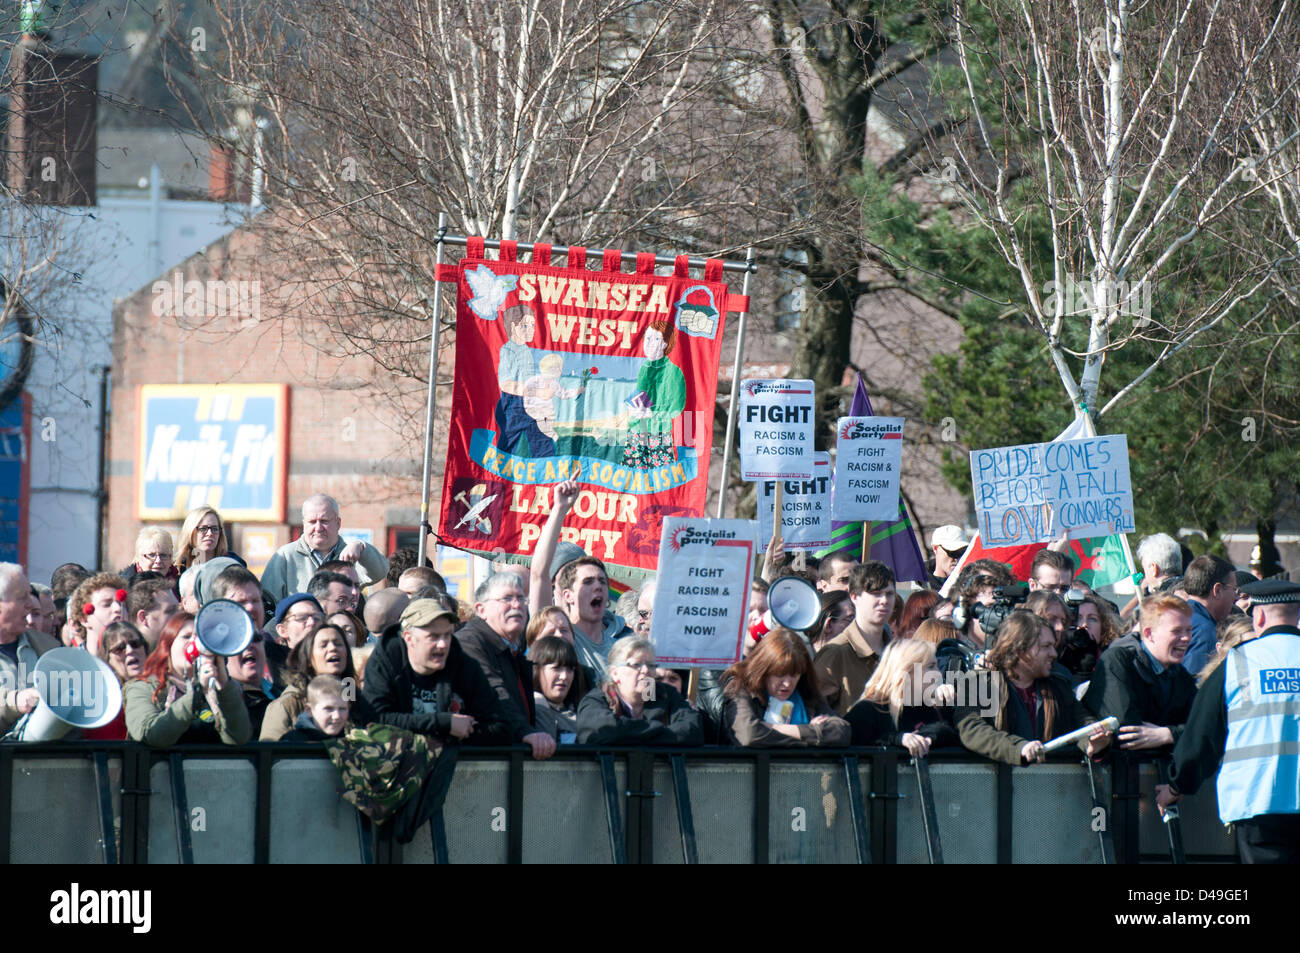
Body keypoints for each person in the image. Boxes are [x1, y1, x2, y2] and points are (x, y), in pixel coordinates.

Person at [1159, 579, 1300, 863]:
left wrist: (1176, 786)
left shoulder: (1238, 662)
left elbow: (1203, 734)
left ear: (1258, 616)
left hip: (1259, 803)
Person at [954, 610, 1112, 765]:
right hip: (997, 786)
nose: (1054, 653)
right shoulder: (980, 684)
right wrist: (1018, 748)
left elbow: (1080, 721)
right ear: (1020, 650)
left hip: (1050, 786)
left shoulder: (1058, 687)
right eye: (1046, 646)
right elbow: (972, 729)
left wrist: (1092, 741)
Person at [362, 598, 513, 745]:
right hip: (393, 764)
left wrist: (456, 735)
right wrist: (444, 723)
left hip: (454, 767)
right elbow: (374, 720)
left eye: (447, 635)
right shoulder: (385, 661)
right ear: (409, 638)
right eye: (433, 637)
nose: (443, 644)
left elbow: (500, 726)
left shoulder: (463, 664)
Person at [456, 573, 557, 760]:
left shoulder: (512, 647)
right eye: (507, 599)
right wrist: (525, 733)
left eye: (520, 598)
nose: (517, 605)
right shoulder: (470, 643)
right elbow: (495, 693)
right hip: (480, 765)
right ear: (481, 609)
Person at [1083, 594, 1197, 751]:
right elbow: (1128, 732)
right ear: (1149, 634)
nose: (1186, 638)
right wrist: (1178, 733)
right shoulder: (1117, 662)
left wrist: (1167, 734)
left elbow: (1204, 727)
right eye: (1176, 631)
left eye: (1189, 630)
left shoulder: (1181, 676)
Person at [124, 612, 252, 747]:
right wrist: (196, 694)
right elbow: (151, 734)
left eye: (200, 639)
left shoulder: (217, 690)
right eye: (186, 636)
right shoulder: (142, 688)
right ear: (167, 646)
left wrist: (224, 685)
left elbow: (238, 738)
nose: (194, 643)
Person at [720, 629, 849, 747]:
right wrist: (810, 732)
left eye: (794, 675)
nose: (787, 684)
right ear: (763, 670)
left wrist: (772, 727)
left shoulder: (806, 693)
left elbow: (841, 732)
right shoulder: (740, 687)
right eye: (780, 674)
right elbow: (748, 735)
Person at [260, 494, 389, 601]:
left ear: (338, 523)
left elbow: (380, 572)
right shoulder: (285, 556)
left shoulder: (350, 555)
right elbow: (267, 602)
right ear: (304, 524)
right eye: (312, 522)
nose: (318, 528)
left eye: (324, 521)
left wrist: (361, 547)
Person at [575, 637, 703, 745]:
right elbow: (604, 730)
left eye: (651, 665)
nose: (646, 670)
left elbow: (692, 730)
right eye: (636, 665)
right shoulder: (598, 699)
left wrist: (634, 734)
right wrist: (664, 732)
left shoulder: (664, 694)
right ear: (615, 673)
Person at [846, 639, 961, 754]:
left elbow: (957, 735)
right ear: (906, 671)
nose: (939, 673)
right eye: (931, 666)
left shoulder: (934, 708)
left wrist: (953, 704)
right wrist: (898, 739)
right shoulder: (867, 711)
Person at [261, 622, 369, 741]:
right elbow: (268, 755)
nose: (333, 648)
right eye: (323, 645)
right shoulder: (287, 704)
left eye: (338, 644)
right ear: (308, 658)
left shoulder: (359, 699)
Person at [814, 561, 896, 715]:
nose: (884, 600)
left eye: (889, 594)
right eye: (876, 593)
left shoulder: (897, 652)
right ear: (854, 597)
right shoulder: (835, 653)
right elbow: (816, 716)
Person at [0, 563, 61, 735]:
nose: (30, 604)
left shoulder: (49, 648)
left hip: (40, 759)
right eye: (21, 597)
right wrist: (16, 701)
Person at [556, 556, 632, 683]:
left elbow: (648, 693)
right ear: (568, 596)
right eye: (587, 582)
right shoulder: (561, 638)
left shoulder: (624, 647)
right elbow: (538, 576)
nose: (598, 586)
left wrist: (650, 699)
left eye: (602, 581)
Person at [622, 320, 686, 469]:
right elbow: (637, 398)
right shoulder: (644, 368)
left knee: (657, 483)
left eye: (656, 339)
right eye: (648, 338)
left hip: (659, 436)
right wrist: (633, 412)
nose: (650, 343)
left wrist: (651, 415)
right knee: (631, 483)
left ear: (665, 344)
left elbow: (676, 409)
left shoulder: (674, 372)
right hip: (637, 434)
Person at [85, 621, 149, 741]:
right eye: (119, 649)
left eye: (135, 644)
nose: (130, 650)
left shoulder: (165, 687)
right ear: (108, 660)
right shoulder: (104, 705)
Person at [1179, 554, 1237, 675]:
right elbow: (1198, 685)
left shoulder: (1179, 617)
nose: (1235, 596)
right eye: (1234, 589)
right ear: (1218, 590)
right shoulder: (1204, 632)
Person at [530, 635, 586, 743]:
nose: (564, 676)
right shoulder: (528, 709)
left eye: (570, 669)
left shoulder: (583, 711)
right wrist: (540, 705)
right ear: (536, 669)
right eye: (556, 668)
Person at [68, 573, 129, 655]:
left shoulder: (138, 660)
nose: (118, 608)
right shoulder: (72, 665)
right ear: (85, 619)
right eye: (106, 605)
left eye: (121, 603)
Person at [281, 674, 352, 742]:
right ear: (309, 710)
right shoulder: (292, 742)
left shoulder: (353, 742)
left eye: (342, 709)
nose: (337, 716)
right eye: (328, 709)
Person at [175, 506, 243, 572]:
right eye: (203, 529)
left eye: (215, 529)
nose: (210, 533)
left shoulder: (233, 565)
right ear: (190, 532)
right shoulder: (177, 569)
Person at [125, 577, 179, 651]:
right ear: (143, 617)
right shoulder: (130, 657)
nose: (179, 615)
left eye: (178, 609)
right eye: (170, 611)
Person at [927, 525, 968, 591]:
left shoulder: (973, 588)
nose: (957, 558)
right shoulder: (920, 589)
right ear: (935, 548)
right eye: (952, 552)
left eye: (962, 552)